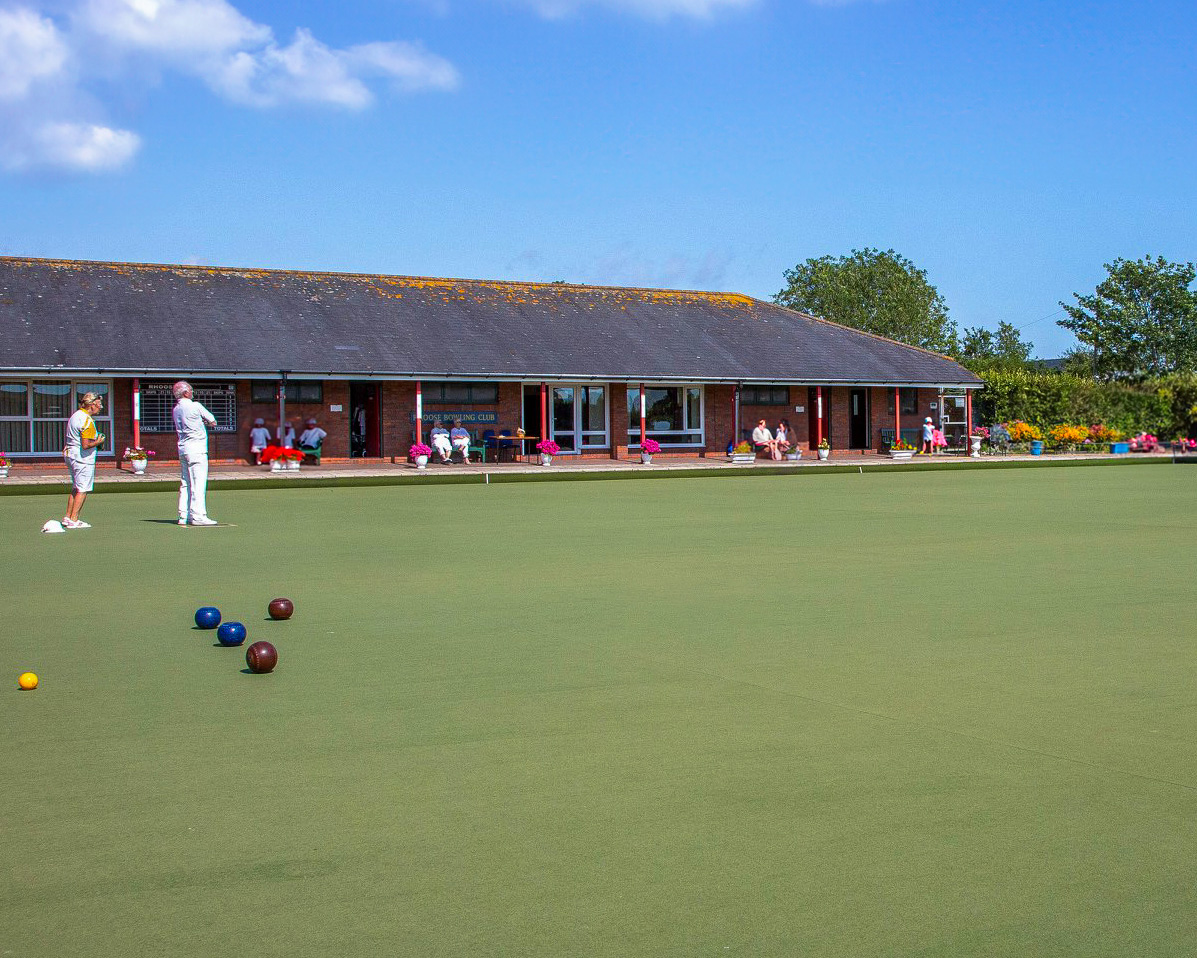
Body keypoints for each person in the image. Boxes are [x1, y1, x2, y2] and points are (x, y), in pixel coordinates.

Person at [173, 380, 218, 526]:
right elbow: (213, 421)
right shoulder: (195, 405)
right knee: (198, 483)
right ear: (186, 393)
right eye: (191, 390)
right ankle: (199, 516)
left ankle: (183, 515)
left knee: (185, 483)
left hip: (183, 448)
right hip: (197, 449)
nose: (192, 393)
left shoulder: (176, 409)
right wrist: (204, 423)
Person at [61, 391, 105, 529]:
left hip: (71, 454)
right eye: (99, 404)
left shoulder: (75, 416)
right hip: (82, 458)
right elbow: (86, 445)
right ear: (91, 405)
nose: (101, 407)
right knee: (83, 488)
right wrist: (99, 442)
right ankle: (74, 519)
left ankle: (68, 517)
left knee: (76, 487)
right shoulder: (87, 420)